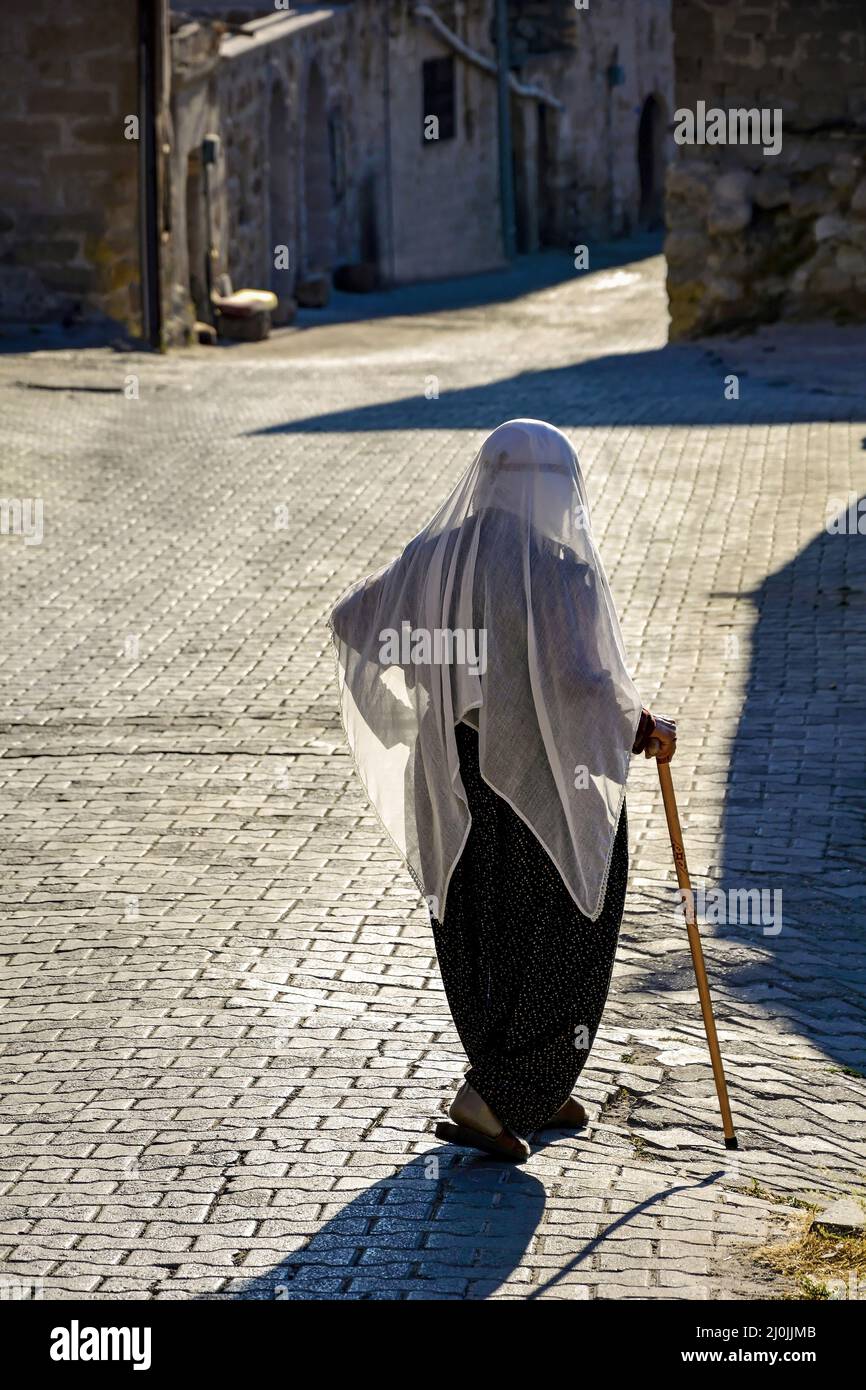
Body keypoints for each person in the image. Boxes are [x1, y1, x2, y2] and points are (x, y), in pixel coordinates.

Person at [328, 419, 676, 1162]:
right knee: (576, 915)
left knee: (485, 927)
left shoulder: (436, 558)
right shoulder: (560, 571)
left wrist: (422, 703)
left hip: (455, 780)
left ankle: (531, 1086)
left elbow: (354, 623)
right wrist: (641, 725)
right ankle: (493, 1097)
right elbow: (580, 685)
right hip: (539, 786)